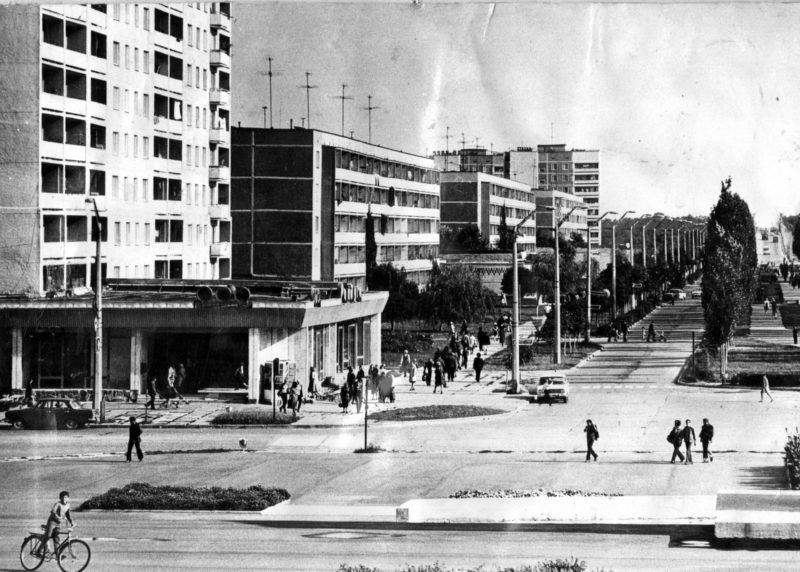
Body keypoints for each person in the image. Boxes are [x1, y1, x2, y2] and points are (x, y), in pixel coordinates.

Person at [38, 491, 74, 557]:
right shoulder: (58, 504)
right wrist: (58, 517)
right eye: (62, 497)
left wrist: (71, 522)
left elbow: (68, 515)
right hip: (52, 521)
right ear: (60, 498)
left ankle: (58, 555)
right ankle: (39, 551)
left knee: (57, 538)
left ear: (68, 498)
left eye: (65, 497)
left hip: (58, 523)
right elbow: (53, 512)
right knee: (48, 536)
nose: (64, 499)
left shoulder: (68, 505)